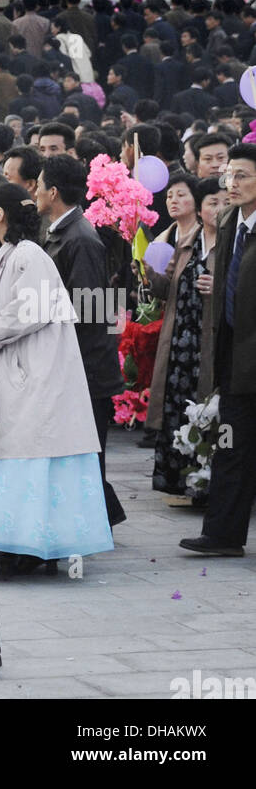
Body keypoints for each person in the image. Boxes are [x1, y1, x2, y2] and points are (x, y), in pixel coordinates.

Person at [0, 180, 112, 575]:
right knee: (20, 451)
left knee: (34, 453)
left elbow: (31, 309)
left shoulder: (30, 254)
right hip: (21, 367)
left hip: (39, 371)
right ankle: (14, 541)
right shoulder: (9, 252)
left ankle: (35, 543)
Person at [37, 154, 126, 528]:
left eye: (39, 185)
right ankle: (103, 516)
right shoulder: (62, 232)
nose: (35, 192)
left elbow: (89, 311)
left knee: (88, 451)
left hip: (85, 367)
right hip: (74, 363)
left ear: (53, 192)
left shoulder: (81, 239)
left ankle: (93, 523)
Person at [180, 145, 256, 557]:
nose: (233, 183)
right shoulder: (229, 221)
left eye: (243, 175)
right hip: (233, 355)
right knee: (230, 445)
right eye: (230, 175)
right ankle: (222, 534)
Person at [143, 173, 210, 501]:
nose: (173, 200)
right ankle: (175, 480)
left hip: (196, 333)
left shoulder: (203, 237)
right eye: (169, 195)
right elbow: (165, 289)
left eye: (181, 195)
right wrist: (146, 273)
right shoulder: (165, 237)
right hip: (176, 332)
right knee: (173, 405)